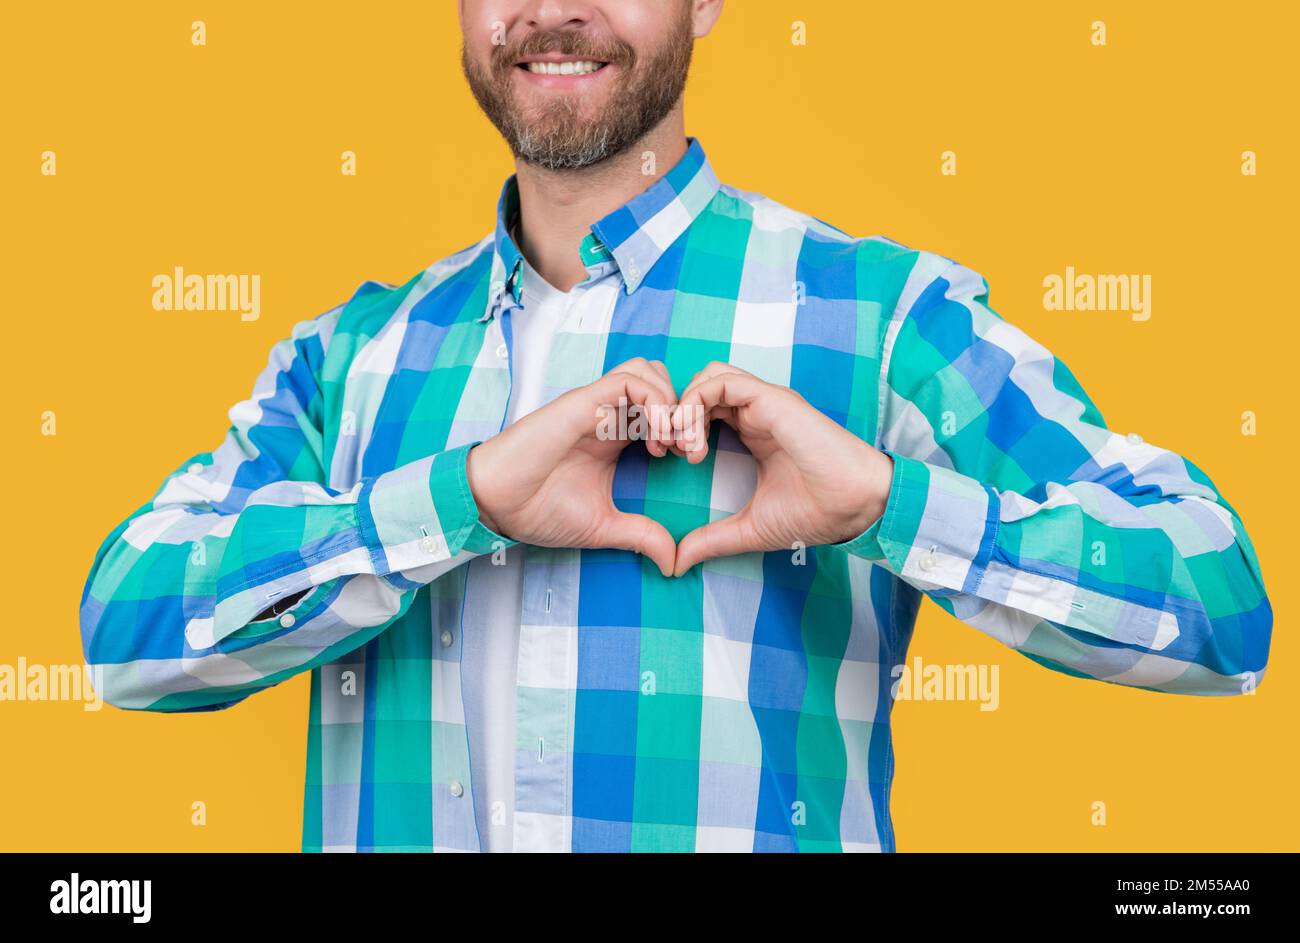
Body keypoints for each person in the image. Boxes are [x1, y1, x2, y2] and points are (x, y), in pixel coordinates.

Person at [80, 0, 1272, 852]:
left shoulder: (881, 318)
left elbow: (1219, 605)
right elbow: (124, 634)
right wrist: (455, 506)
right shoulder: (349, 357)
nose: (550, 12)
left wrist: (892, 510)